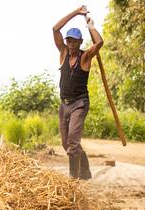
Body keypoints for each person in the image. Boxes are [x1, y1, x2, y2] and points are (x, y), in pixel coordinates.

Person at [53, 6, 104, 179]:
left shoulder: (85, 57)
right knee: (66, 144)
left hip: (79, 104)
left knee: (73, 144)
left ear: (80, 42)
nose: (71, 44)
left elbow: (99, 43)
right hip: (64, 104)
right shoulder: (63, 53)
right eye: (69, 41)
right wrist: (76, 13)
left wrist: (91, 26)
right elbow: (55, 29)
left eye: (75, 41)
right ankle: (85, 170)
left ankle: (72, 180)